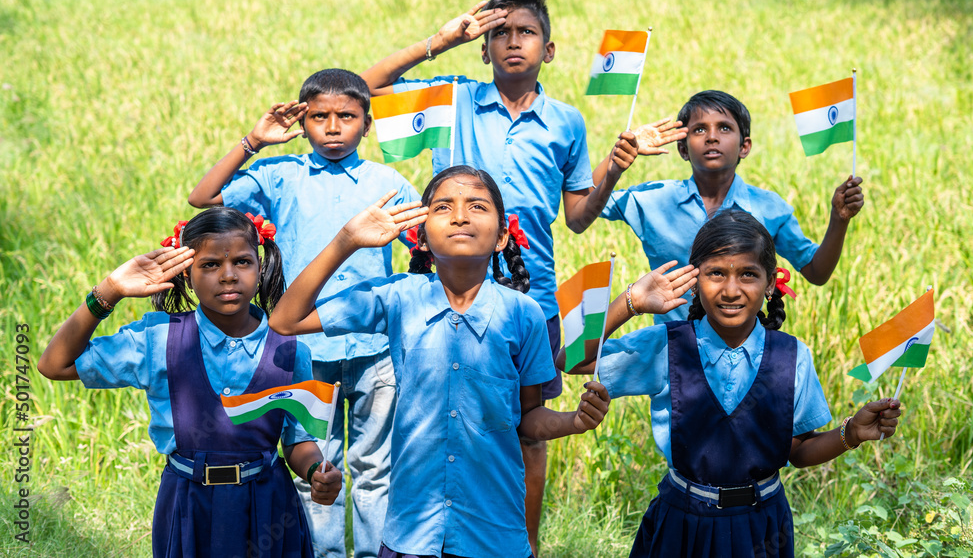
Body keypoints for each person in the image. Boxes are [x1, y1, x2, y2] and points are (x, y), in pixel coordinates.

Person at [360, 0, 683, 551]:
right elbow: (365, 90)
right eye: (499, 32)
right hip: (445, 287)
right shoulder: (452, 99)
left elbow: (579, 217)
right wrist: (439, 42)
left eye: (526, 32)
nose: (513, 42)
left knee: (527, 433)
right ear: (482, 48)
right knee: (437, 417)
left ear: (549, 50)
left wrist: (614, 167)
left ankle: (520, 545)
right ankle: (427, 537)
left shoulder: (566, 123)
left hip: (529, 296)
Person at [270, 166, 610, 558]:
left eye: (477, 206)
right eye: (443, 207)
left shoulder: (524, 314)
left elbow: (528, 419)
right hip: (411, 532)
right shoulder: (397, 297)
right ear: (422, 239)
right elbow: (285, 319)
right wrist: (347, 241)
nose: (461, 216)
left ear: (502, 237)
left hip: (494, 532)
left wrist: (575, 420)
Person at [561, 209, 901, 557]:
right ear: (695, 279)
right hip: (682, 522)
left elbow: (797, 451)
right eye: (716, 273)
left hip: (762, 527)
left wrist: (852, 434)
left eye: (748, 274)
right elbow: (573, 360)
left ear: (770, 284)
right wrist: (631, 302)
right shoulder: (667, 345)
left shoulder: (792, 357)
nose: (731, 290)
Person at [188, 68, 420, 558]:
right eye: (319, 117)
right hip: (301, 351)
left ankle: (379, 553)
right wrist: (254, 141)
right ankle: (322, 553)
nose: (333, 127)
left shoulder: (388, 182)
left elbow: (426, 248)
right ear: (303, 120)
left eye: (346, 116)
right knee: (316, 466)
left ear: (367, 123)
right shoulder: (280, 175)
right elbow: (203, 199)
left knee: (376, 468)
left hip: (374, 349)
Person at [36, 207, 342, 558]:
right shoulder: (158, 339)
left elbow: (297, 441)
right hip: (187, 507)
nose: (228, 276)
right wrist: (110, 290)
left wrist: (316, 471)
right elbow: (55, 365)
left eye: (242, 262)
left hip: (269, 508)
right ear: (187, 273)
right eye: (210, 264)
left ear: (261, 266)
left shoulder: (288, 349)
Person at [600, 89, 864, 322]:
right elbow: (588, 201)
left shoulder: (770, 208)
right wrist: (618, 156)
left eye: (724, 128)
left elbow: (816, 271)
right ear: (682, 148)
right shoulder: (653, 200)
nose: (712, 137)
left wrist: (839, 219)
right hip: (674, 353)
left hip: (744, 352)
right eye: (699, 129)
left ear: (744, 147)